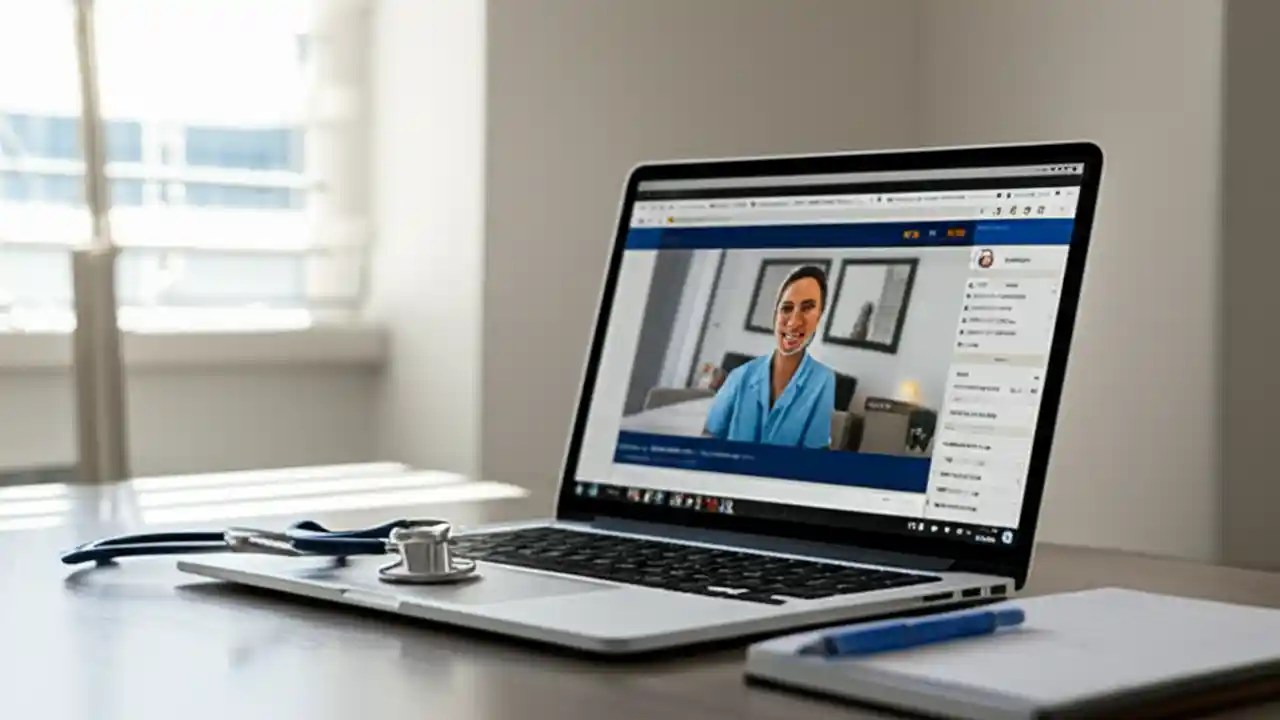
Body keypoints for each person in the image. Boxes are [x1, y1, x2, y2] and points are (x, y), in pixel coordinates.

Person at [704, 265, 836, 449]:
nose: (794, 322)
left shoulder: (823, 381)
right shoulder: (739, 376)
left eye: (807, 308)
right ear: (775, 315)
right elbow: (710, 438)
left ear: (820, 316)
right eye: (787, 308)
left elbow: (814, 457)